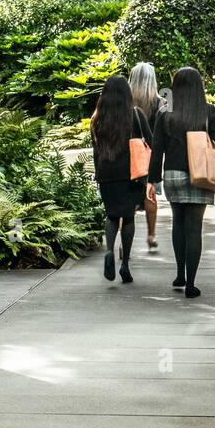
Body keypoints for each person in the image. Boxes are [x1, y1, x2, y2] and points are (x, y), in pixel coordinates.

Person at [147, 67, 215, 300]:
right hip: (200, 175)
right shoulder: (208, 112)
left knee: (178, 224)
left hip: (172, 174)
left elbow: (157, 149)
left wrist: (152, 180)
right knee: (194, 228)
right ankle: (191, 283)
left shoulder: (165, 113)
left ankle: (179, 274)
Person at [91, 74, 148, 285]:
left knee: (111, 215)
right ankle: (125, 264)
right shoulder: (135, 115)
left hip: (106, 174)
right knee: (129, 218)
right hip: (130, 174)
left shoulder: (98, 117)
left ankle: (108, 251)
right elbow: (149, 141)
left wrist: (99, 174)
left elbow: (95, 150)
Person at [129, 61, 160, 250]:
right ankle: (151, 234)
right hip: (150, 155)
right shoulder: (159, 102)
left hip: (130, 153)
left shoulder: (127, 101)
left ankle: (127, 241)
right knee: (150, 195)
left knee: (129, 198)